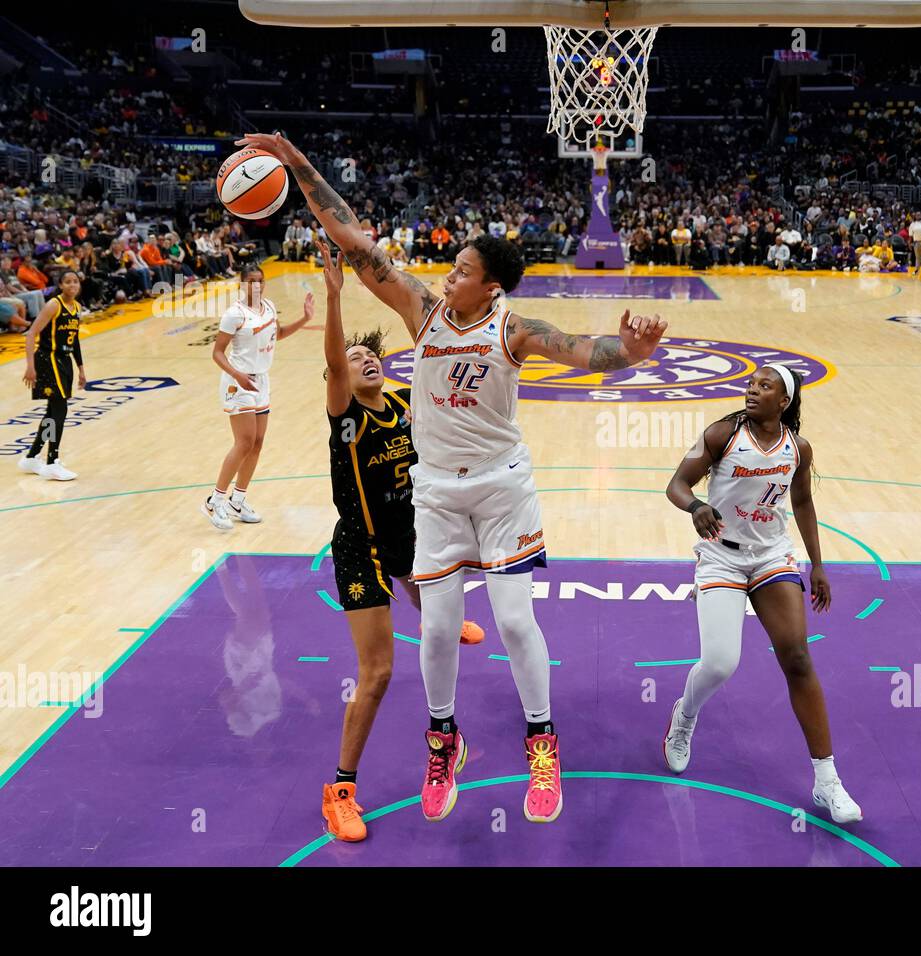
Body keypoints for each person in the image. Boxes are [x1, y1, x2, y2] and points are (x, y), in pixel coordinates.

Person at [239, 130, 667, 824]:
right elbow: (354, 241)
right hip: (436, 493)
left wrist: (634, 350)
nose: (449, 274)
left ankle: (542, 741)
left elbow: (590, 350)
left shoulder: (514, 330)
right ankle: (444, 740)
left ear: (489, 286)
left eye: (462, 269)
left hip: (501, 487)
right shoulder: (422, 312)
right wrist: (295, 162)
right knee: (437, 631)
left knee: (516, 622)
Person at [314, 239, 482, 842]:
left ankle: (447, 725)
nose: (364, 361)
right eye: (355, 358)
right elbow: (334, 364)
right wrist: (336, 299)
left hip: (409, 536)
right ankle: (340, 791)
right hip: (360, 545)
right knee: (379, 673)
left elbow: (446, 374)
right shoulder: (347, 416)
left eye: (370, 354)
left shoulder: (410, 404)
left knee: (436, 621)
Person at [661, 365, 862, 823]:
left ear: (784, 402)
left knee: (797, 657)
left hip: (772, 555)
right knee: (720, 663)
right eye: (751, 384)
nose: (752, 390)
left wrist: (818, 564)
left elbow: (804, 502)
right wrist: (696, 506)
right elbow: (676, 483)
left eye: (764, 386)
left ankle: (827, 780)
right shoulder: (721, 435)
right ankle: (685, 716)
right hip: (721, 556)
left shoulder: (798, 449)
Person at [203, 264, 313, 530]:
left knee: (258, 443)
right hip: (237, 381)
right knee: (244, 441)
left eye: (260, 281)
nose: (256, 285)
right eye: (251, 281)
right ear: (242, 283)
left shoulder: (269, 307)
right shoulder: (234, 314)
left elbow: (279, 334)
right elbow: (217, 352)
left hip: (261, 379)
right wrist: (237, 375)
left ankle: (237, 501)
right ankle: (214, 501)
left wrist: (304, 319)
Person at [18, 271, 86, 480]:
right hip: (48, 360)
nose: (72, 285)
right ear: (60, 285)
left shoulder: (77, 307)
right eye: (68, 282)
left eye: (75, 281)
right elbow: (31, 333)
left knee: (51, 412)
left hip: (64, 361)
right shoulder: (53, 305)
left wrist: (81, 369)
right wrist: (30, 366)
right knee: (60, 409)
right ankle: (51, 461)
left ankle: (31, 457)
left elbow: (74, 341)